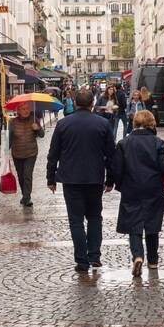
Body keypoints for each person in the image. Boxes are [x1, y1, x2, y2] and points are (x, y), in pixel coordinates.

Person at [46, 88, 114, 277]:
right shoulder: (103, 123)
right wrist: (111, 179)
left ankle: (81, 260)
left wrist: (50, 178)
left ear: (75, 103)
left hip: (71, 179)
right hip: (94, 178)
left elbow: (53, 154)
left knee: (75, 221)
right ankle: (94, 255)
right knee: (94, 217)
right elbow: (111, 155)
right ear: (92, 104)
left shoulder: (63, 124)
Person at [110, 109, 164, 278]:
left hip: (131, 188)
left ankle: (137, 256)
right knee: (152, 225)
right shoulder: (159, 142)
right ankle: (153, 260)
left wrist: (120, 186)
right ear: (152, 124)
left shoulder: (123, 143)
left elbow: (117, 169)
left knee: (133, 224)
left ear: (135, 124)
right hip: (153, 188)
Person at [8, 102, 44, 208]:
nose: (26, 111)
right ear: (18, 111)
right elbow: (9, 137)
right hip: (17, 153)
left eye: (27, 109)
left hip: (31, 153)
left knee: (27, 175)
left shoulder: (34, 120)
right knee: (21, 176)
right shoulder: (12, 122)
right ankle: (25, 196)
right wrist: (5, 151)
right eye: (23, 109)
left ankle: (27, 198)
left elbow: (42, 135)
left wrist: (37, 128)